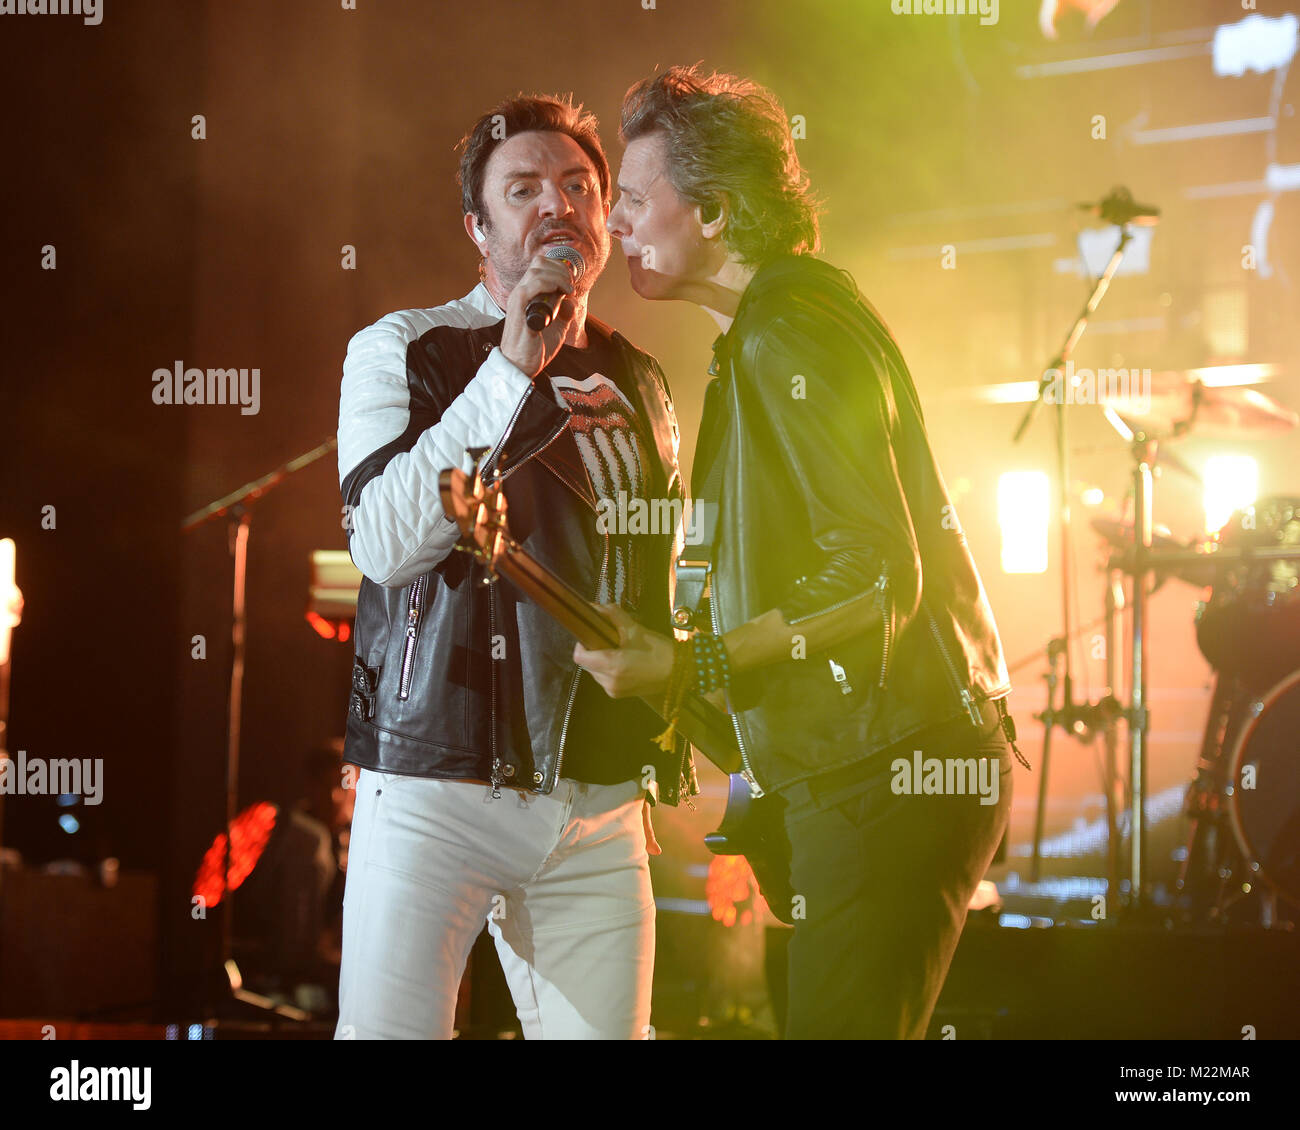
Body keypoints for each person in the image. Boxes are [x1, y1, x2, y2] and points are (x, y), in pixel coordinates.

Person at [575, 64, 1026, 1039]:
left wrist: (692, 661)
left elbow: (872, 567)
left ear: (716, 211)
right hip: (869, 761)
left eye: (635, 198)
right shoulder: (766, 330)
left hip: (893, 761)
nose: (611, 222)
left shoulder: (789, 328)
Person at [333, 91, 694, 1040]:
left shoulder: (642, 377)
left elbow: (662, 573)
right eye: (524, 187)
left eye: (579, 184)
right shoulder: (404, 348)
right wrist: (511, 366)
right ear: (478, 227)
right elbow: (381, 541)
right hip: (436, 786)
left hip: (599, 806)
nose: (557, 206)